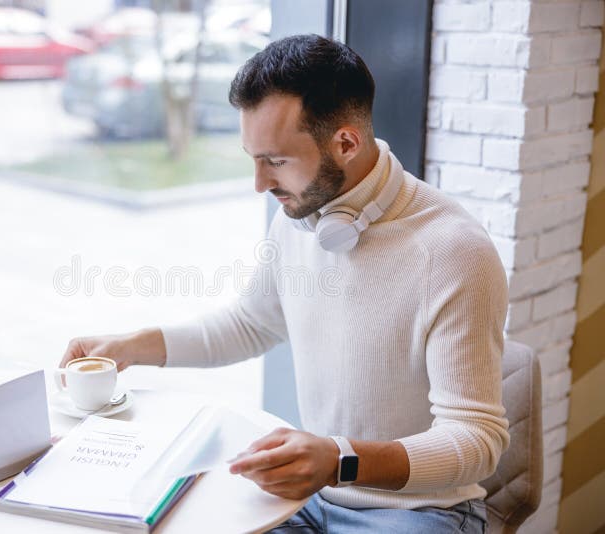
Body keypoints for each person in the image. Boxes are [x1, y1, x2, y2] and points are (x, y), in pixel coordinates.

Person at [59, 34, 508, 533]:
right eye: (252, 158)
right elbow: (251, 323)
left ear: (346, 142)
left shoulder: (454, 252)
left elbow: (476, 440)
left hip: (418, 510)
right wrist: (130, 346)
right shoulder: (303, 214)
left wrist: (340, 460)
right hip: (309, 495)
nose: (259, 184)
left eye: (274, 161)